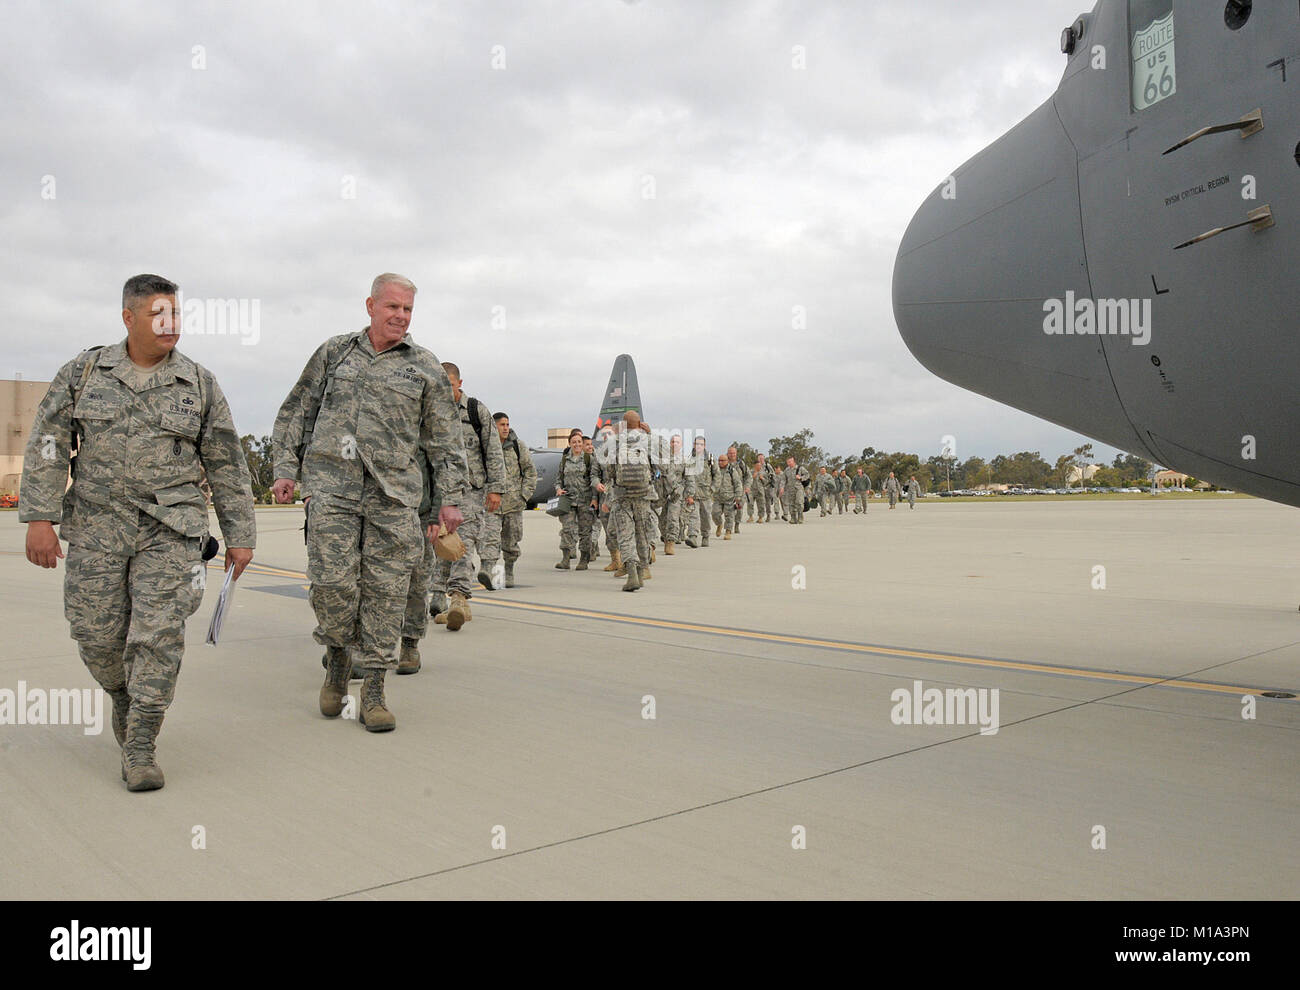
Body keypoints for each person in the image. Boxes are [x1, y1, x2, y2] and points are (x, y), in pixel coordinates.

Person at [21, 273, 257, 790]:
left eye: (175, 314)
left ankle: (142, 745)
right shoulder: (83, 373)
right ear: (128, 318)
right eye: (158, 315)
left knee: (157, 636)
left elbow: (226, 463)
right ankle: (125, 699)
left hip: (171, 529)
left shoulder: (199, 382)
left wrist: (240, 533)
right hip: (97, 525)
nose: (170, 324)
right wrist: (40, 518)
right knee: (96, 634)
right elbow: (47, 443)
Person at [272, 273, 467, 733]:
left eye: (408, 310)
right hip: (332, 488)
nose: (400, 316)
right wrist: (285, 467)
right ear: (370, 306)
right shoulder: (334, 352)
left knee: (386, 593)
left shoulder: (423, 366)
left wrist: (450, 498)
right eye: (392, 307)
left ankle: (375, 690)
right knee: (332, 585)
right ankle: (338, 659)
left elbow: (445, 439)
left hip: (395, 495)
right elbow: (297, 409)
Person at [425, 363, 504, 627]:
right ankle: (438, 594)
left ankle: (458, 597)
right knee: (439, 544)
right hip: (440, 491)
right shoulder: (431, 412)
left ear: (459, 383)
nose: (445, 389)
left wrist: (496, 488)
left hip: (471, 490)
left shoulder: (475, 411)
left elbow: (493, 450)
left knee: (464, 545)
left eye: (449, 383)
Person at [490, 412, 537, 587]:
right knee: (490, 542)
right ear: (493, 426)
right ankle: (495, 577)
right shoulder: (486, 447)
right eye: (502, 424)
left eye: (507, 424)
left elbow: (530, 472)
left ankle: (508, 571)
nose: (505, 428)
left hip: (513, 505)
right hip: (491, 506)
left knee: (511, 542)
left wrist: (523, 496)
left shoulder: (518, 446)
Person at [609, 412, 654, 589]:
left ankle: (632, 573)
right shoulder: (648, 441)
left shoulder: (616, 442)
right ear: (639, 424)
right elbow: (662, 465)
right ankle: (644, 569)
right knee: (642, 534)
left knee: (626, 536)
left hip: (622, 496)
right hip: (643, 494)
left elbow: (610, 470)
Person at [554, 428, 599, 570]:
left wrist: (594, 498)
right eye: (574, 442)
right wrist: (558, 489)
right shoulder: (564, 460)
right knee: (567, 529)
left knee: (585, 530)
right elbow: (558, 479)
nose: (577, 444)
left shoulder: (589, 459)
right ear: (569, 444)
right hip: (568, 500)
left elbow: (594, 479)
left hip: (585, 500)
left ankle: (584, 559)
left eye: (579, 442)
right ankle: (566, 558)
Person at [684, 436, 716, 548]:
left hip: (706, 494)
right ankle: (692, 536)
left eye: (701, 444)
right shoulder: (689, 458)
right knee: (693, 516)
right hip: (693, 494)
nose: (698, 446)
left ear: (704, 446)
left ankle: (706, 536)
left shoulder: (709, 459)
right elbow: (685, 476)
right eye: (697, 444)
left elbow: (717, 475)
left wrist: (713, 488)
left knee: (706, 516)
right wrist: (687, 493)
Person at [659, 433, 687, 554]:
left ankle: (671, 542)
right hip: (663, 493)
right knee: (662, 519)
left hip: (677, 493)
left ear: (681, 445)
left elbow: (689, 478)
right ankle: (665, 537)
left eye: (677, 442)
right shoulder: (663, 459)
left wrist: (689, 494)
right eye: (672, 442)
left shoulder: (685, 460)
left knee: (673, 518)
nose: (674, 444)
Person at [726, 447, 748, 534]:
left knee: (739, 509)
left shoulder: (741, 464)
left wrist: (747, 486)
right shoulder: (724, 463)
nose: (732, 455)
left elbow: (748, 476)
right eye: (730, 453)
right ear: (727, 453)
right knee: (729, 510)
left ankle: (737, 524)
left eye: (733, 453)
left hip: (740, 490)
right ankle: (728, 527)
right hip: (728, 490)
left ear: (736, 453)